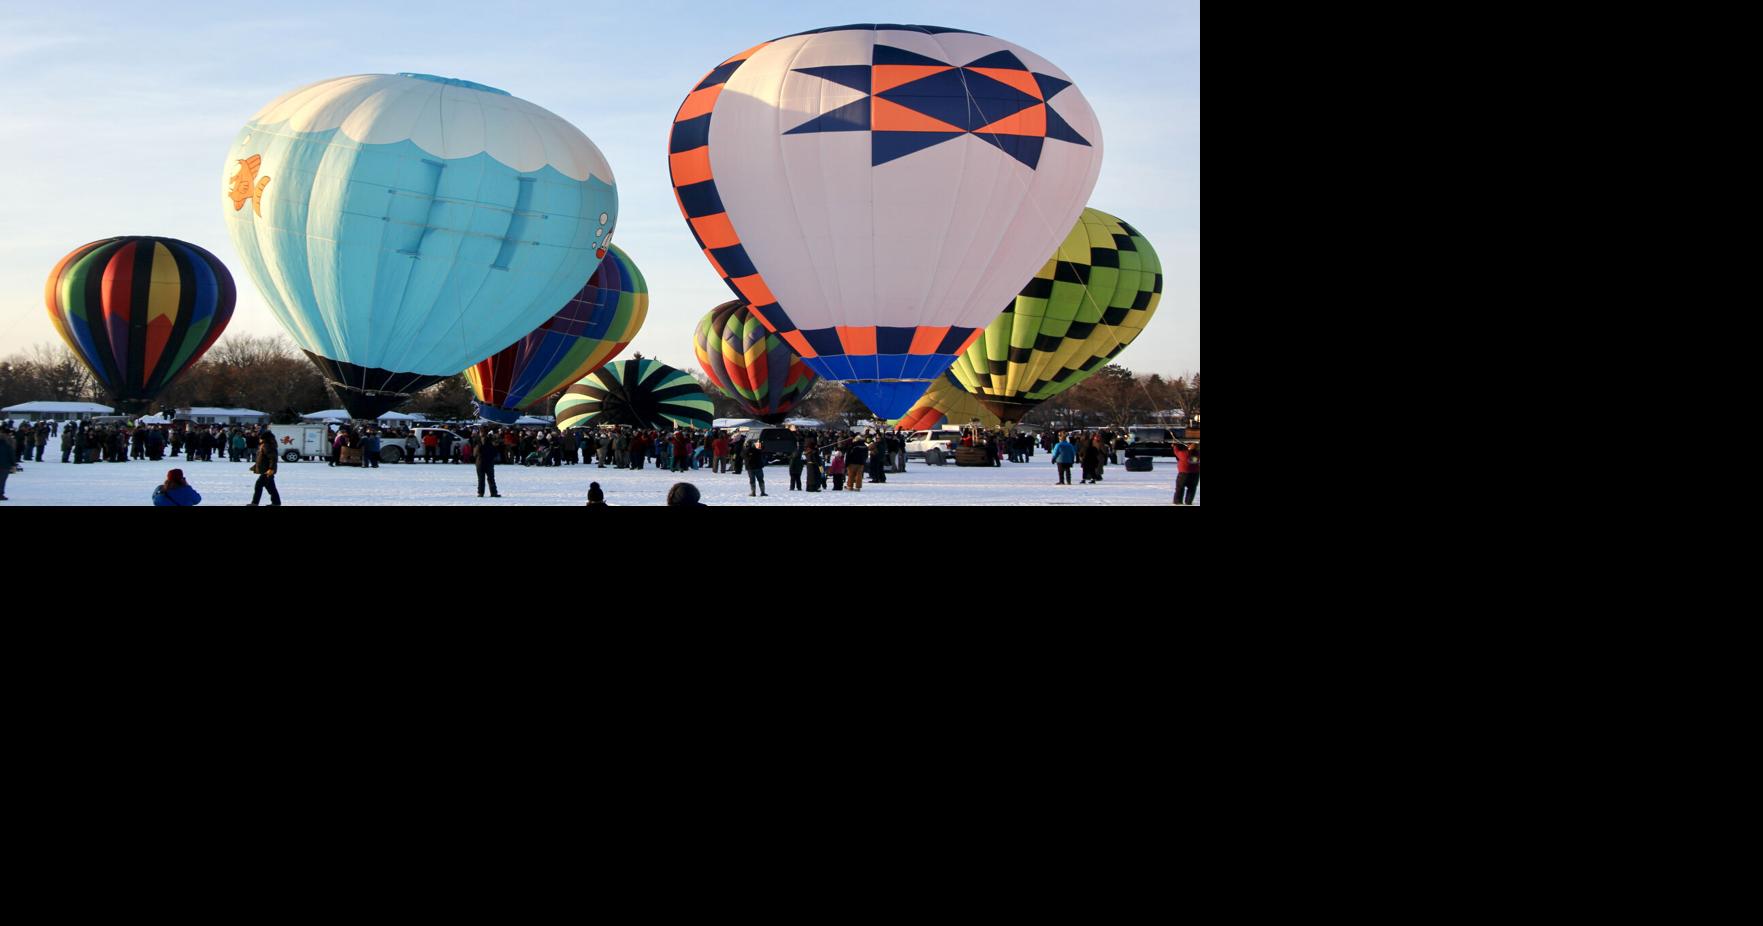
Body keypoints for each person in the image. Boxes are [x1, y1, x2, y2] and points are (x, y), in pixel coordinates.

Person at [250, 428, 282, 506]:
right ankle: (276, 502)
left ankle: (255, 503)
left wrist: (271, 469)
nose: (259, 439)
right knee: (270, 487)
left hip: (267, 470)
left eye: (261, 437)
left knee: (259, 486)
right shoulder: (265, 445)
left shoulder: (267, 446)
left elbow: (272, 458)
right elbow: (262, 458)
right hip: (266, 470)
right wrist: (256, 466)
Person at [473, 429, 501, 497]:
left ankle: (481, 493)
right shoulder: (491, 443)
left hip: (480, 462)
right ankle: (493, 492)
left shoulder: (478, 442)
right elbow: (495, 451)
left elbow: (474, 454)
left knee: (481, 479)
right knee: (491, 478)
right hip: (488, 462)